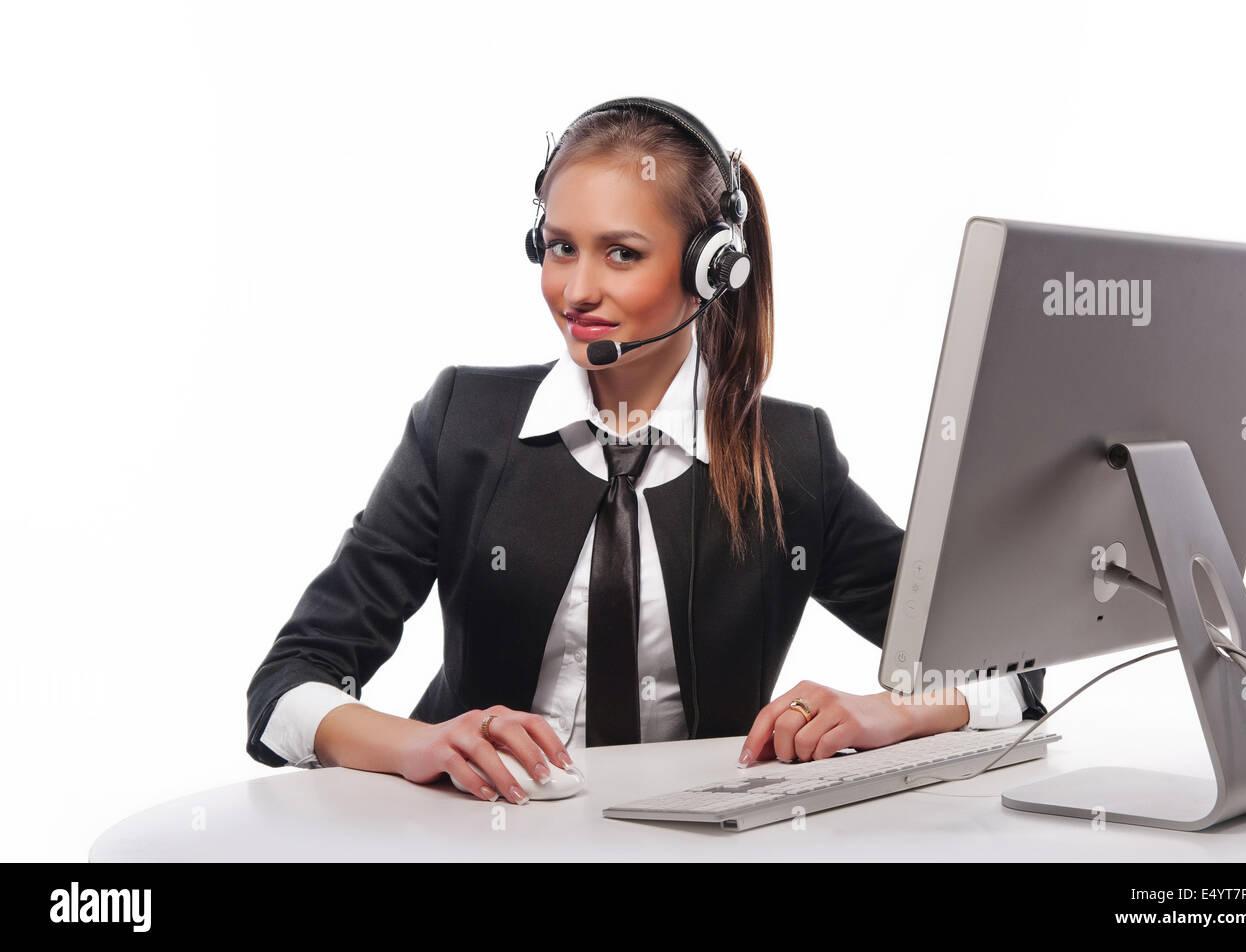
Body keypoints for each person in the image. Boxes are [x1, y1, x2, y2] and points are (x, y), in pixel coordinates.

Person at [245, 97, 1046, 805]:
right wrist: (419, 743)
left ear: (710, 270)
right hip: (475, 833)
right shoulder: (463, 424)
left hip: (689, 840)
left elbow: (1009, 667)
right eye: (559, 247)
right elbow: (290, 685)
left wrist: (885, 713)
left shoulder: (789, 458)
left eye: (621, 253)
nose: (576, 290)